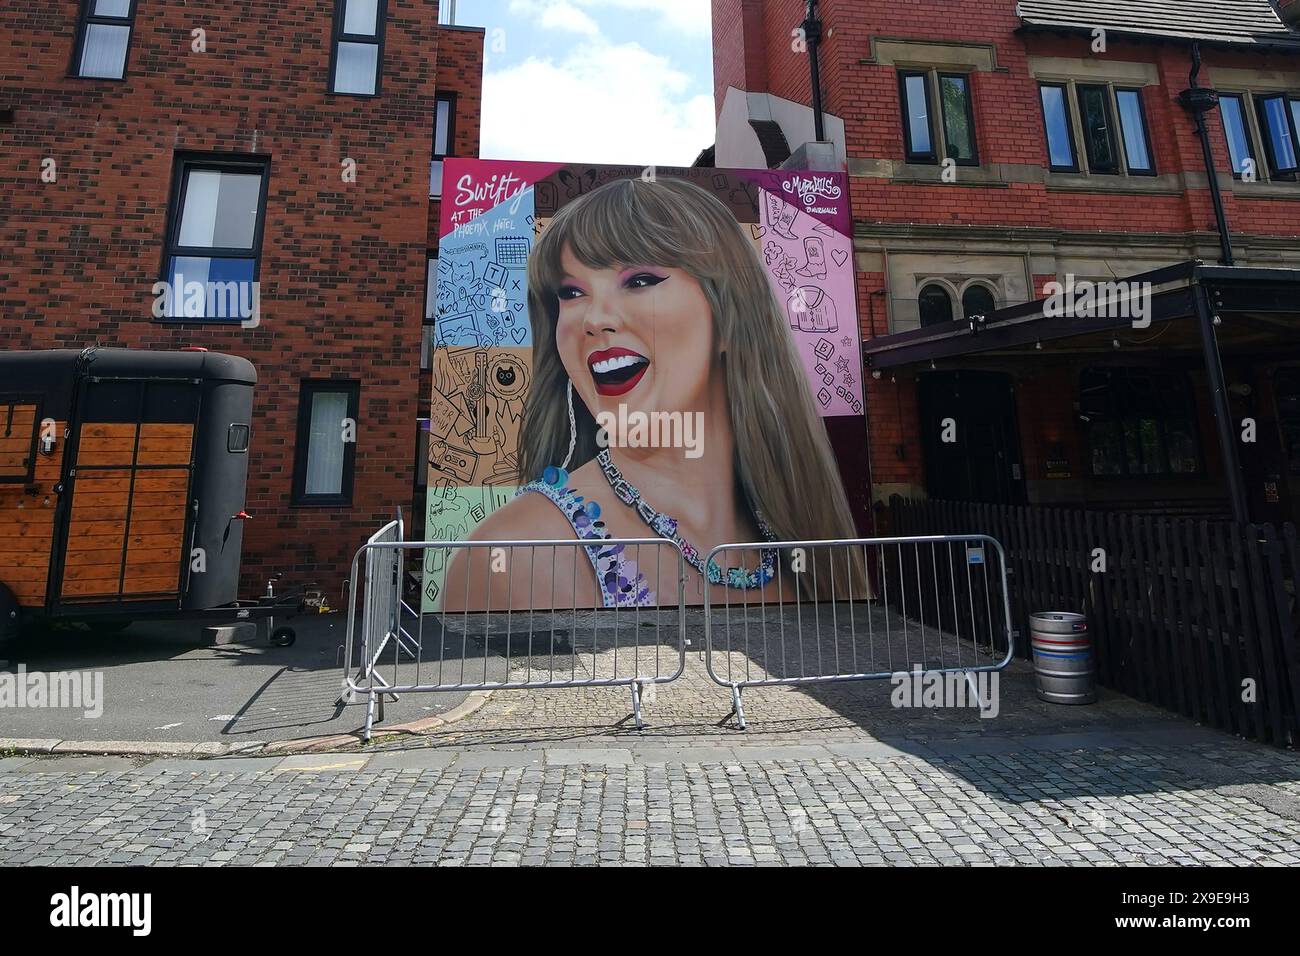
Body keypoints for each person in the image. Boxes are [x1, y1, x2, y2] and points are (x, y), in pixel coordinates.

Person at [443, 177, 863, 611]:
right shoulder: (514, 554)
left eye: (640, 280)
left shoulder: (804, 535)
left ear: (729, 314)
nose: (594, 318)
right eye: (571, 292)